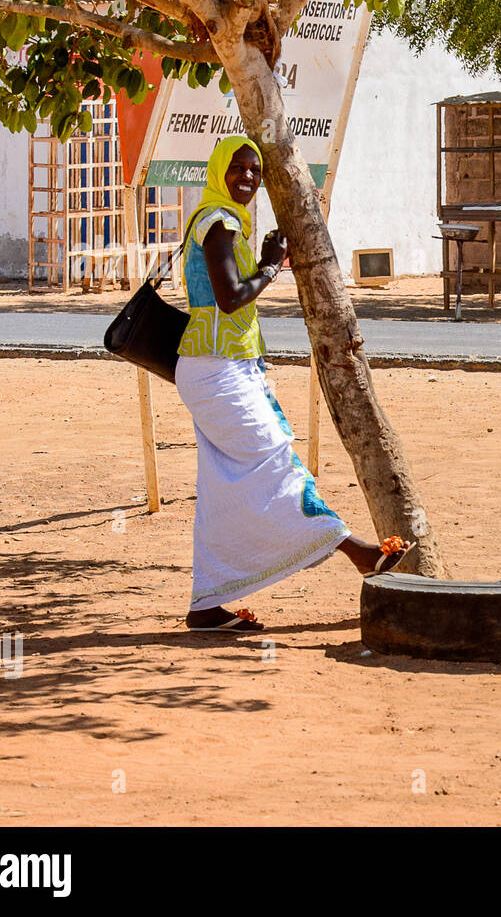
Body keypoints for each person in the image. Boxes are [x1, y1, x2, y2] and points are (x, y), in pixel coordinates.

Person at [174, 135, 410, 632]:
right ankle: (355, 551)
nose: (247, 177)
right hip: (216, 369)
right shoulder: (219, 222)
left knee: (222, 488)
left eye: (254, 171)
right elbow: (231, 297)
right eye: (237, 167)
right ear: (219, 170)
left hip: (219, 366)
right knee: (276, 461)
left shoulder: (218, 219)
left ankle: (206, 603)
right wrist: (269, 266)